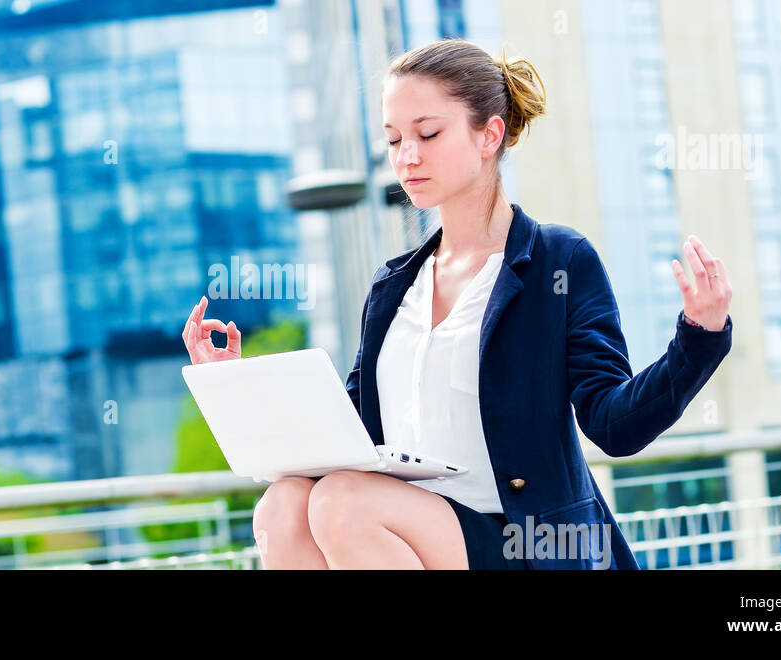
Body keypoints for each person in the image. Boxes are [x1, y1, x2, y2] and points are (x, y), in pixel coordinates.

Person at [181, 38, 733, 569]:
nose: (408, 155)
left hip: (527, 541)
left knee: (342, 504)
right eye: (394, 139)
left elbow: (616, 426)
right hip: (402, 533)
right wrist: (238, 388)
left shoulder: (558, 262)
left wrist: (698, 338)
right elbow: (346, 430)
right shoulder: (393, 286)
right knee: (282, 506)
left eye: (428, 133)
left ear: (489, 135)